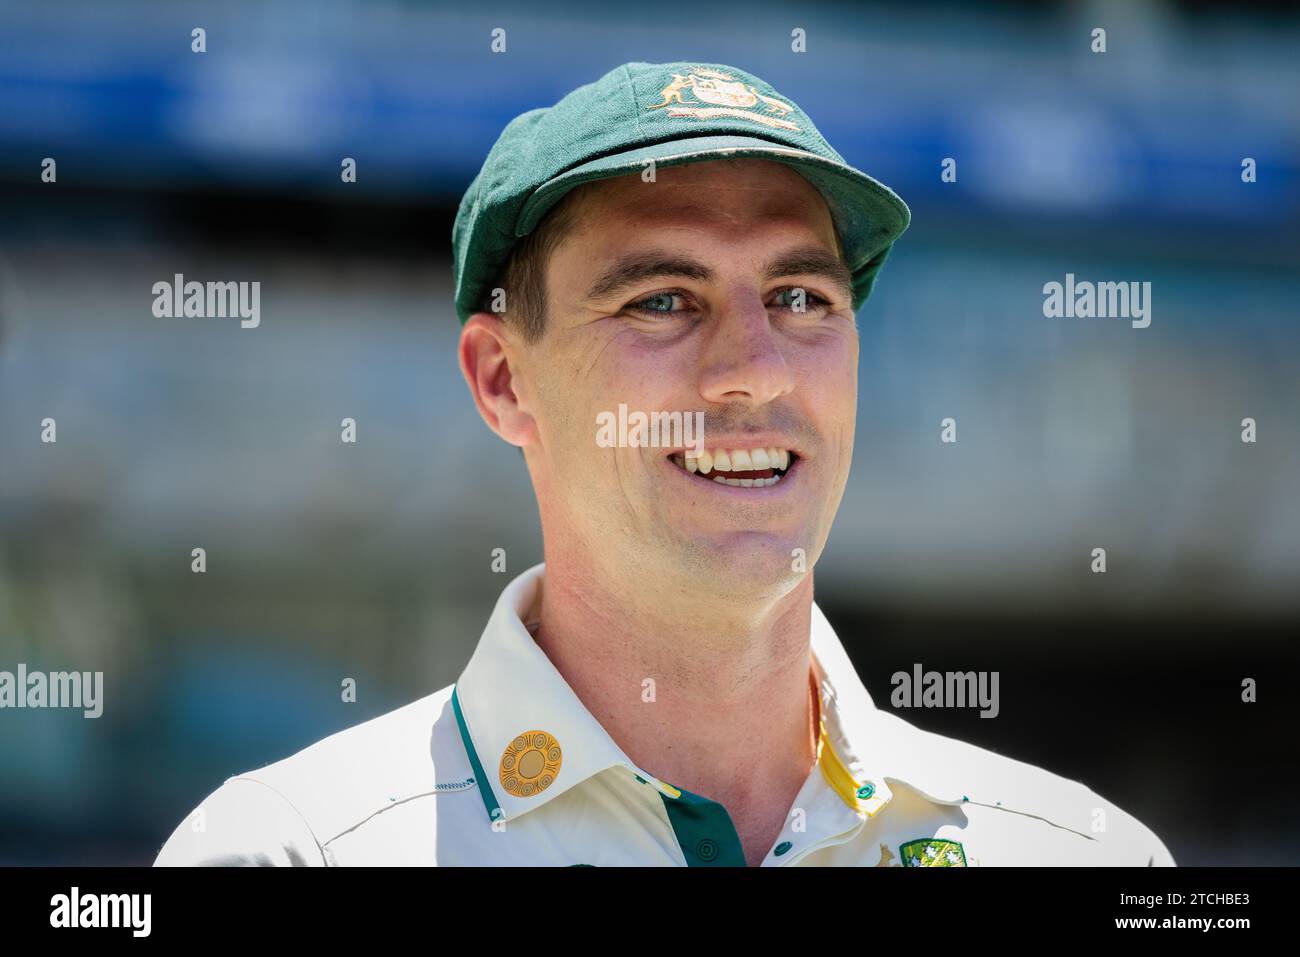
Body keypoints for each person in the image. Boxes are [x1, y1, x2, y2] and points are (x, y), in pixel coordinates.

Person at [155, 61, 1174, 866]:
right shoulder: (288, 854)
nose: (752, 373)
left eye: (801, 299)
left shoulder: (1084, 856)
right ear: (504, 381)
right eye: (661, 301)